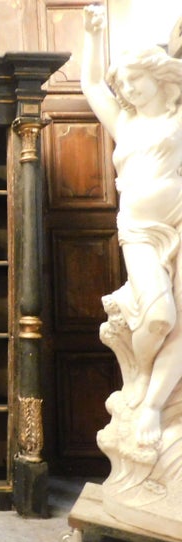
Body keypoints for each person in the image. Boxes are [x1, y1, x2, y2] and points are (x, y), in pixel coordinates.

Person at [82, 5, 182, 447]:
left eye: (131, 80)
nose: (125, 89)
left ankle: (155, 406)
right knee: (159, 318)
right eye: (120, 84)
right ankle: (140, 374)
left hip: (179, 222)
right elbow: (89, 84)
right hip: (139, 232)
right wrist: (92, 35)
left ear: (155, 74)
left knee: (180, 325)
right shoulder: (125, 123)